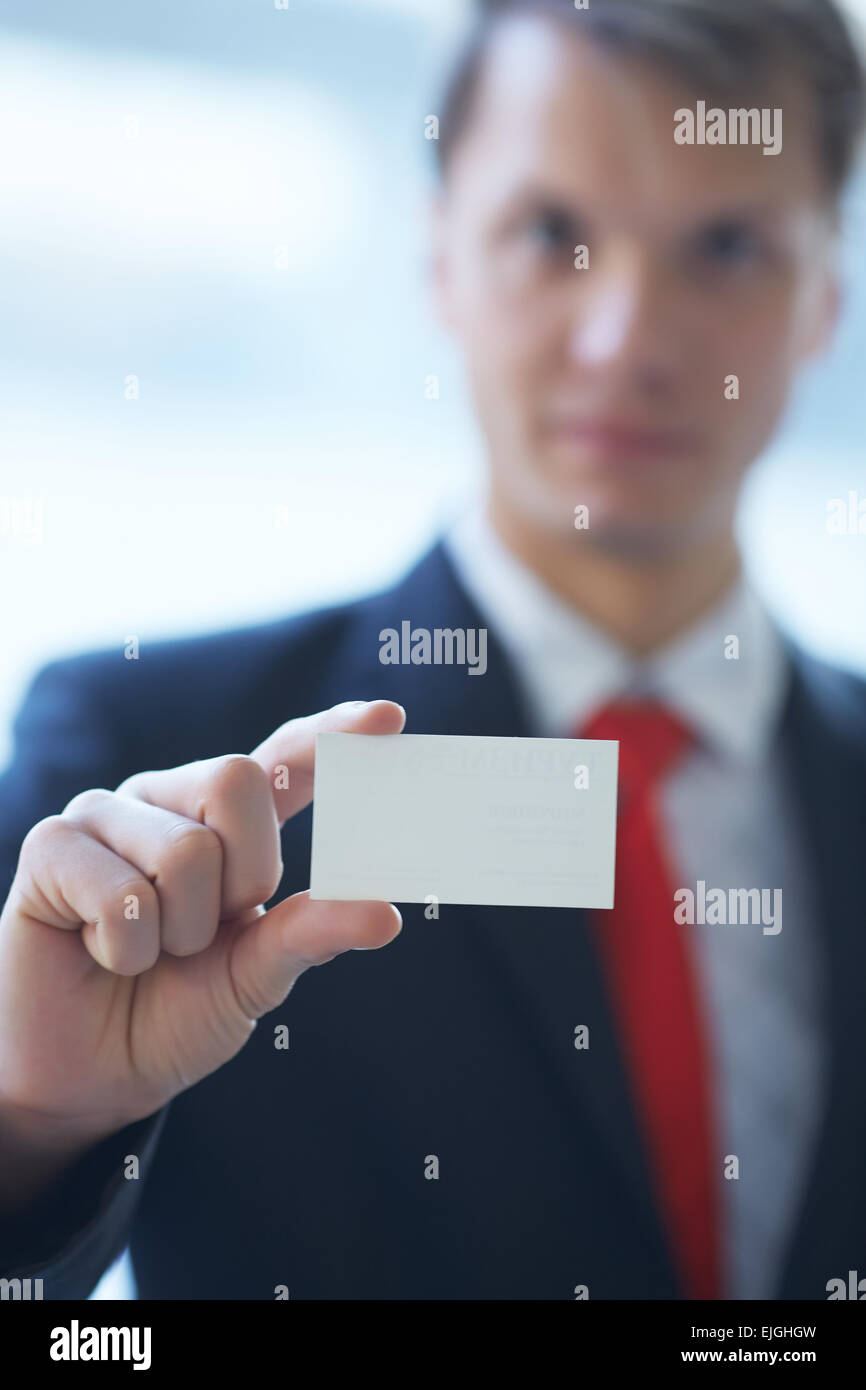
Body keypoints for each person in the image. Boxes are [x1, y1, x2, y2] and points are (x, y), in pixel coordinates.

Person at [1, 0, 865, 1301]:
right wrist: (33, 1129)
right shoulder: (142, 767)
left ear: (820, 306)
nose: (624, 338)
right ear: (440, 265)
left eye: (727, 245)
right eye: (551, 233)